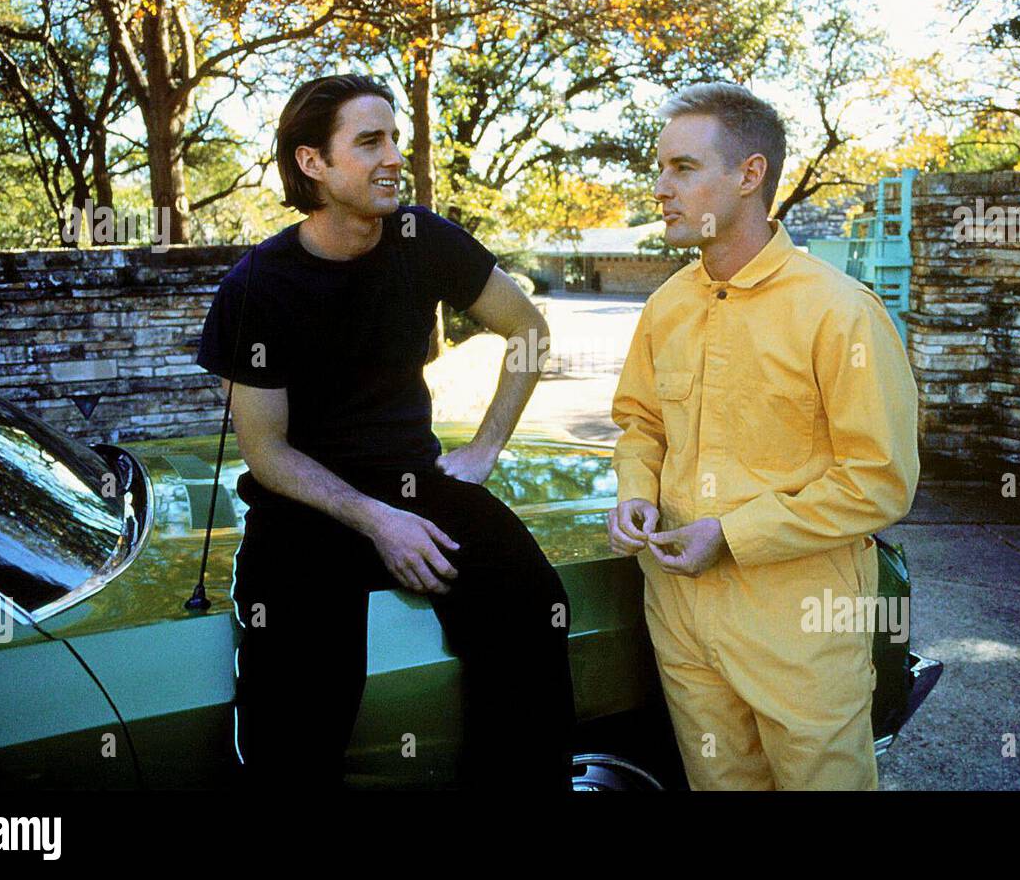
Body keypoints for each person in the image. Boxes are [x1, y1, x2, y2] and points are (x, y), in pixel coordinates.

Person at [196, 73, 574, 790]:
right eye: (369, 141)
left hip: (416, 482)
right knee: (296, 713)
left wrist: (486, 446)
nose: (394, 155)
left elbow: (527, 327)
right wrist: (378, 521)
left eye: (394, 137)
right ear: (313, 163)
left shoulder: (422, 238)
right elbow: (266, 452)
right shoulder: (257, 285)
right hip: (304, 506)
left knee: (534, 612)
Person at [607, 81, 919, 790]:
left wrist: (734, 533)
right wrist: (634, 492)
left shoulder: (840, 313)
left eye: (683, 168)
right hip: (681, 612)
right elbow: (641, 423)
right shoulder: (665, 305)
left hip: (799, 623)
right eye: (661, 168)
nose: (660, 188)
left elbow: (880, 480)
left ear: (750, 175)